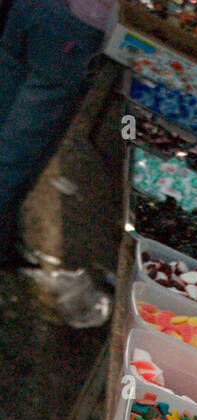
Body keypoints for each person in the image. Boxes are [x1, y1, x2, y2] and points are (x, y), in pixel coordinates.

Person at [0, 0, 117, 267]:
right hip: (71, 28)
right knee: (18, 152)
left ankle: (5, 233)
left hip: (30, 9)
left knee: (9, 123)